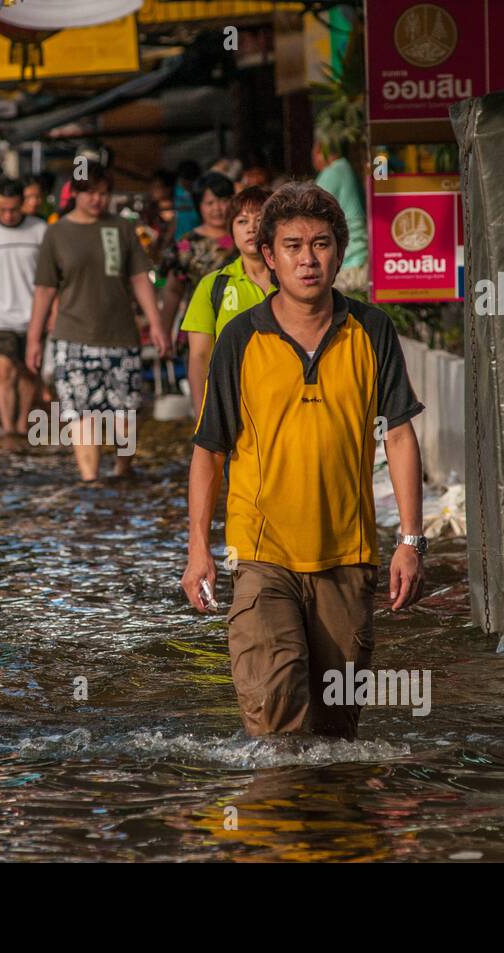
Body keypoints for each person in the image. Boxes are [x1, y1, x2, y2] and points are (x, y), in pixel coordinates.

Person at [180, 182, 426, 739]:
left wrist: (411, 541)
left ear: (339, 253)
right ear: (269, 256)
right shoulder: (240, 339)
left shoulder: (372, 330)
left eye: (320, 244)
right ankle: (275, 823)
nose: (307, 259)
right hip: (263, 556)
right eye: (292, 246)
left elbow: (399, 437)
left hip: (348, 555)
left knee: (337, 733)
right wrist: (199, 549)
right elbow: (209, 450)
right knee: (275, 717)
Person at [25, 163, 171, 482]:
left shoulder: (121, 227)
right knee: (81, 415)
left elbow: (139, 278)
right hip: (72, 337)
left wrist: (157, 324)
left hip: (121, 335)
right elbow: (45, 289)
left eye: (104, 194)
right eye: (90, 193)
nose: (98, 200)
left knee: (126, 417)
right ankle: (90, 481)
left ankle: (123, 470)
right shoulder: (57, 232)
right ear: (75, 193)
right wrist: (34, 338)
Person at [181, 185, 274, 417]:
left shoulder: (295, 282)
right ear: (231, 230)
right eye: (242, 221)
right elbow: (199, 358)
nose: (252, 228)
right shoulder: (213, 285)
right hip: (233, 409)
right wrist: (204, 418)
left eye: (260, 219)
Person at [0, 178, 48, 436]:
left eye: (14, 209)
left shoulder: (40, 230)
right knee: (4, 372)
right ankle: (8, 428)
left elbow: (51, 279)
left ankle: (23, 424)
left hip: (34, 316)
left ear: (23, 203)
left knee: (28, 374)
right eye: (3, 209)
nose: (9, 215)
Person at [158, 171, 238, 339]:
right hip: (200, 329)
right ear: (198, 205)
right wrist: (164, 332)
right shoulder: (187, 245)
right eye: (210, 203)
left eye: (223, 201)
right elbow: (173, 290)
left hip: (241, 328)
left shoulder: (246, 238)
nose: (217, 208)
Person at [312, 140, 369, 295]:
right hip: (361, 255)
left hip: (351, 260)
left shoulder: (334, 171)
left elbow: (308, 206)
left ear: (319, 152)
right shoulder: (347, 169)